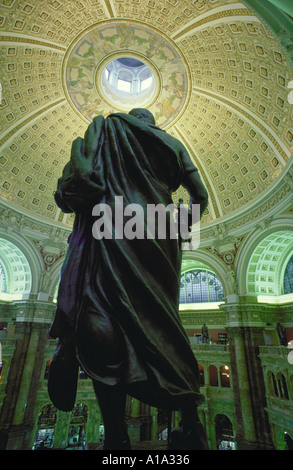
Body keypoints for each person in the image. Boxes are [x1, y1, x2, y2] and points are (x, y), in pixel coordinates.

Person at [48, 108, 208, 450]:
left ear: (131, 119)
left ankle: (116, 435)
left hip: (112, 226)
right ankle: (192, 424)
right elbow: (201, 198)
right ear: (152, 123)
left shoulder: (106, 129)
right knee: (163, 321)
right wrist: (179, 225)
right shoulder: (172, 144)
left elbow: (73, 188)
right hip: (159, 234)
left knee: (101, 308)